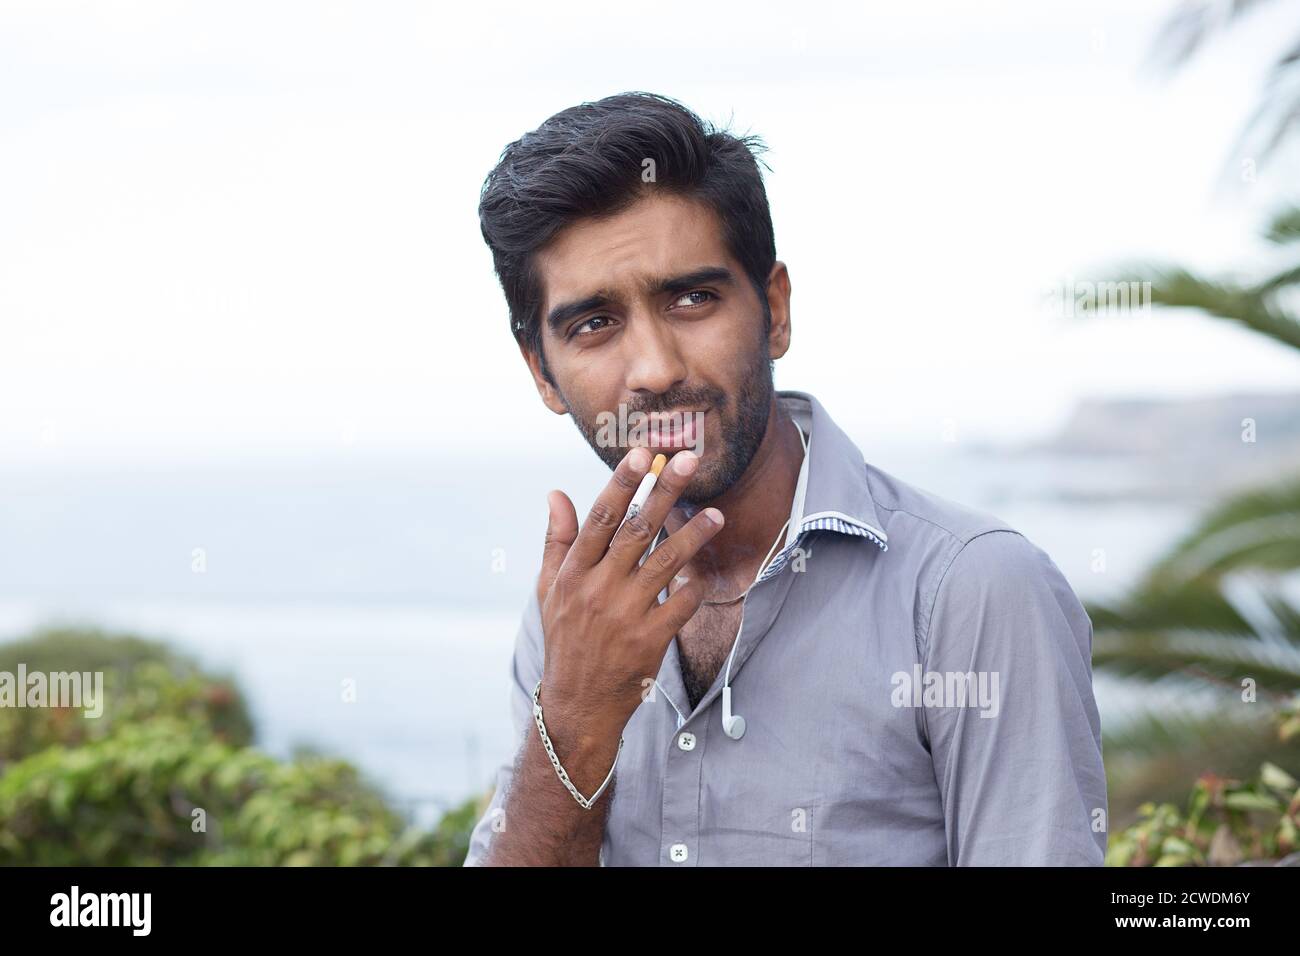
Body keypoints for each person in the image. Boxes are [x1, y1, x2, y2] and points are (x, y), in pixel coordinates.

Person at [462, 91, 1107, 866]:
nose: (657, 370)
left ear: (774, 310)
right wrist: (573, 711)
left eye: (693, 298)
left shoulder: (973, 591)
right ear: (543, 372)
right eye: (594, 324)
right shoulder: (572, 612)